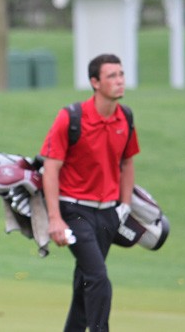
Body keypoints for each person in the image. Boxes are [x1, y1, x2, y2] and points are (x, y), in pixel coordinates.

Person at [39, 54, 139, 332]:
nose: (119, 81)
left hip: (108, 214)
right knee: (97, 278)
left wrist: (125, 206)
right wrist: (55, 219)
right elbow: (51, 169)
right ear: (95, 82)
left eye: (121, 74)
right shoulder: (71, 117)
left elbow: (128, 162)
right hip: (74, 210)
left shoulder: (125, 117)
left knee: (85, 279)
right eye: (111, 76)